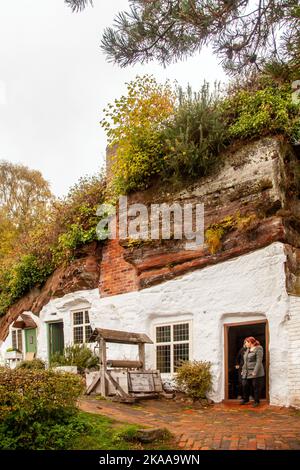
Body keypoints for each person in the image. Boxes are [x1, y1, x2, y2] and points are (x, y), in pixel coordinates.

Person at [241, 336, 265, 407]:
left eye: (246, 342)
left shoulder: (259, 349)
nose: (245, 344)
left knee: (256, 387)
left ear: (250, 342)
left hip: (255, 372)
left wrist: (255, 371)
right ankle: (246, 399)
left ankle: (256, 401)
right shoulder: (248, 349)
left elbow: (259, 361)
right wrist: (243, 370)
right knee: (245, 385)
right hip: (247, 372)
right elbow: (245, 362)